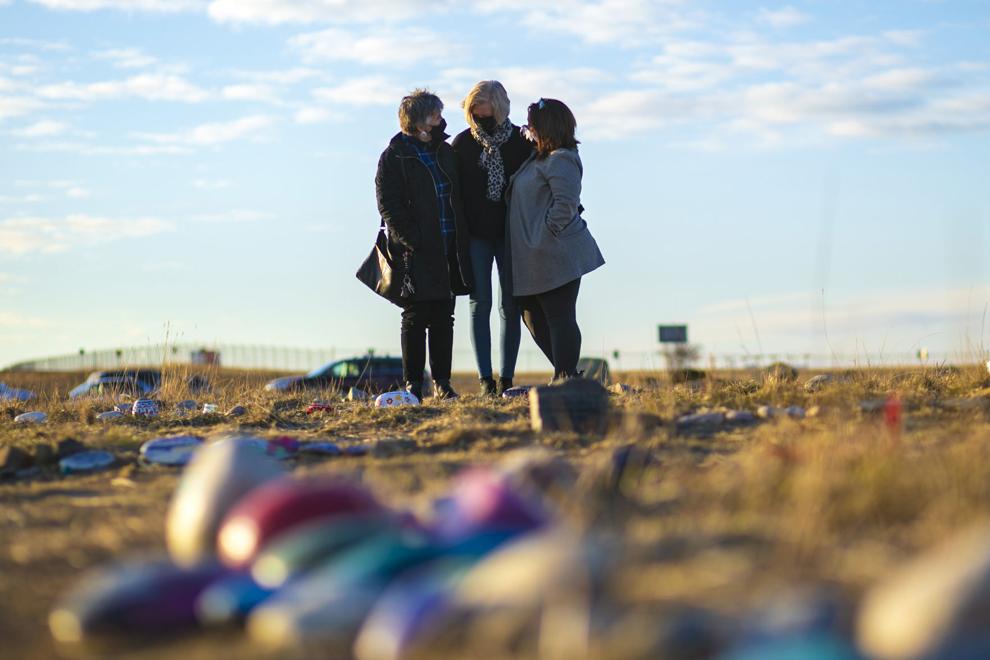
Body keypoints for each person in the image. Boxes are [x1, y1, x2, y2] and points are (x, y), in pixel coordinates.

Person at [375, 89, 474, 401]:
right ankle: (413, 385)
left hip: (449, 247)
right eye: (435, 114)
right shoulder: (394, 157)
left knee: (445, 316)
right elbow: (388, 205)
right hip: (414, 251)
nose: (440, 118)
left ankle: (442, 384)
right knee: (415, 318)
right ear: (419, 120)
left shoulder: (445, 151)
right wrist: (412, 240)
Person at [505, 98, 604, 381]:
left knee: (559, 316)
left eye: (531, 125)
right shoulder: (538, 158)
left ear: (544, 127)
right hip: (533, 255)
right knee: (532, 316)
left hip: (556, 251)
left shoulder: (562, 158)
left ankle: (565, 376)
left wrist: (546, 233)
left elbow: (565, 204)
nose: (527, 130)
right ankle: (568, 374)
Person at [452, 81, 533, 397]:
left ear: (499, 109)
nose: (480, 120)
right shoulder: (461, 145)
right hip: (475, 237)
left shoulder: (521, 143)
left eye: (485, 114)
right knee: (479, 303)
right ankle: (486, 380)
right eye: (475, 114)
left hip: (511, 235)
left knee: (510, 306)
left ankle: (507, 380)